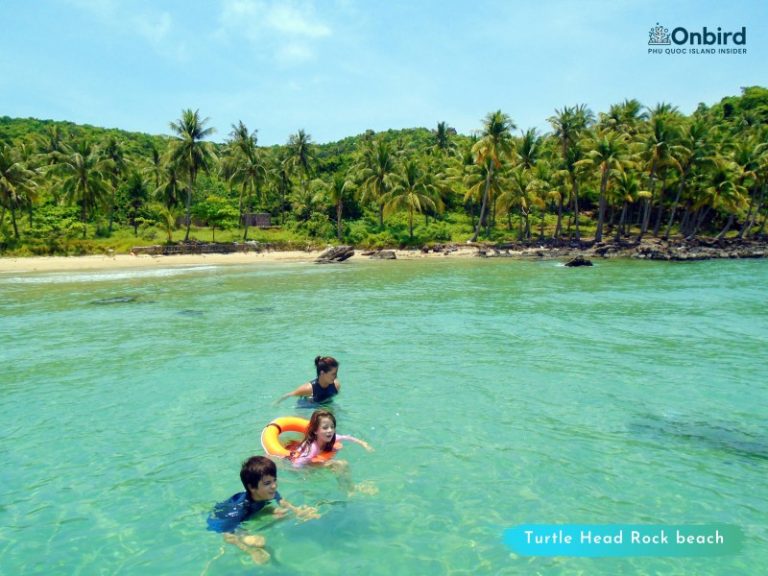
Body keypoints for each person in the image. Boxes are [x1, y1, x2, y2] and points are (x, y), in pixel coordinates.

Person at [207, 455, 318, 564]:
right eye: (267, 483)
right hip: (221, 519)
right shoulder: (239, 510)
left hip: (252, 510)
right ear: (252, 487)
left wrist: (297, 511)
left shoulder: (269, 492)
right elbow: (228, 536)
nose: (274, 486)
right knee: (257, 542)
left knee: (279, 513)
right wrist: (251, 551)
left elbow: (282, 501)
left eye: (274, 480)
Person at [289, 409, 373, 468]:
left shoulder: (331, 437)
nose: (330, 430)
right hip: (294, 458)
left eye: (332, 427)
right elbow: (296, 465)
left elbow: (347, 437)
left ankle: (348, 487)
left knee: (342, 464)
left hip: (314, 457)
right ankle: (349, 487)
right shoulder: (312, 448)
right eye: (325, 428)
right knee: (341, 464)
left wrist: (364, 444)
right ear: (315, 430)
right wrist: (322, 464)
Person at [275, 356, 342, 405]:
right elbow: (289, 395)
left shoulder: (336, 385)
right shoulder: (308, 389)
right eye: (333, 374)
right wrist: (276, 403)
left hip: (325, 405)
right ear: (322, 373)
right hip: (307, 407)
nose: (336, 376)